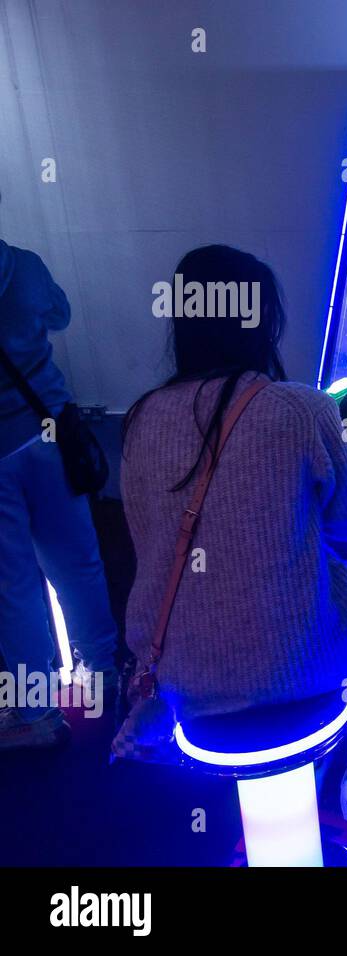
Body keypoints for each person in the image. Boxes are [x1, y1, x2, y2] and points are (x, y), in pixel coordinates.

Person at [120, 245, 347, 820]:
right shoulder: (300, 408)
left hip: (180, 675)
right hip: (302, 663)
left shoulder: (141, 417)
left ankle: (296, 776)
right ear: (264, 320)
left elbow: (148, 539)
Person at [0, 207, 119, 750]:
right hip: (48, 431)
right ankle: (105, 676)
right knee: (77, 561)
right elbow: (62, 313)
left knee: (14, 585)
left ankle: (35, 712)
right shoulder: (22, 266)